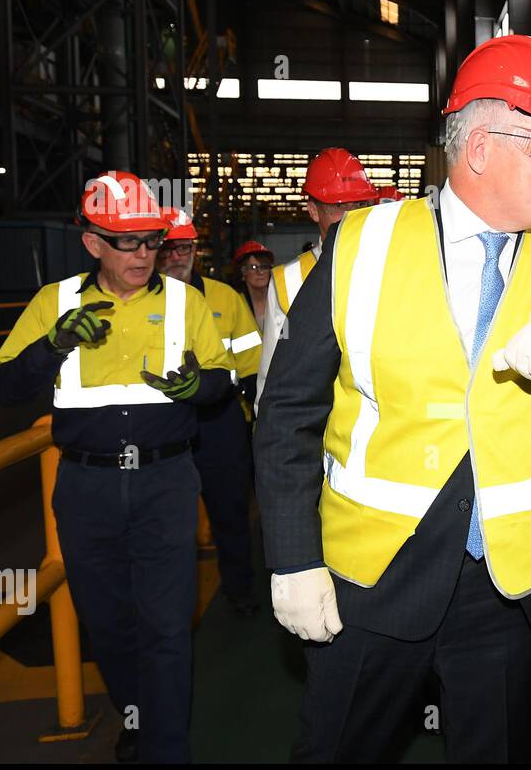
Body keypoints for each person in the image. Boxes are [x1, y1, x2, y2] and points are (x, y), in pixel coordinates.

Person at [254, 34, 531, 762]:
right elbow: (287, 416)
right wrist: (292, 559)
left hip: (510, 590)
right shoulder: (361, 245)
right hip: (372, 579)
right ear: (483, 147)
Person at [0, 171, 233, 763]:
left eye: (151, 241)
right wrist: (52, 345)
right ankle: (138, 716)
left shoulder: (186, 302)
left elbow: (223, 380)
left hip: (165, 483)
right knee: (108, 622)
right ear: (92, 242)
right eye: (129, 242)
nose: (145, 254)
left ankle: (166, 750)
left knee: (168, 627)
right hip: (86, 487)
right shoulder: (55, 304)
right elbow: (4, 387)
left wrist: (199, 386)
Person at [157, 207, 264, 615]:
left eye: (182, 247)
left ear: (194, 249)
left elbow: (251, 363)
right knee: (170, 522)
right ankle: (173, 600)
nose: (175, 257)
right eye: (167, 249)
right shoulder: (139, 302)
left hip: (220, 421)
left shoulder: (224, 298)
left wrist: (259, 419)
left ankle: (239, 589)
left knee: (230, 511)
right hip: (165, 423)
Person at [253, 148, 378, 409]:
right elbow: (272, 375)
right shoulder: (287, 281)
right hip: (314, 431)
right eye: (340, 207)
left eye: (361, 205)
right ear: (313, 210)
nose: (351, 217)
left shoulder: (389, 265)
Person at [233, 240, 275, 332]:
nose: (260, 272)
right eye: (253, 267)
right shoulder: (235, 303)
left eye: (264, 266)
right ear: (243, 272)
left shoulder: (280, 300)